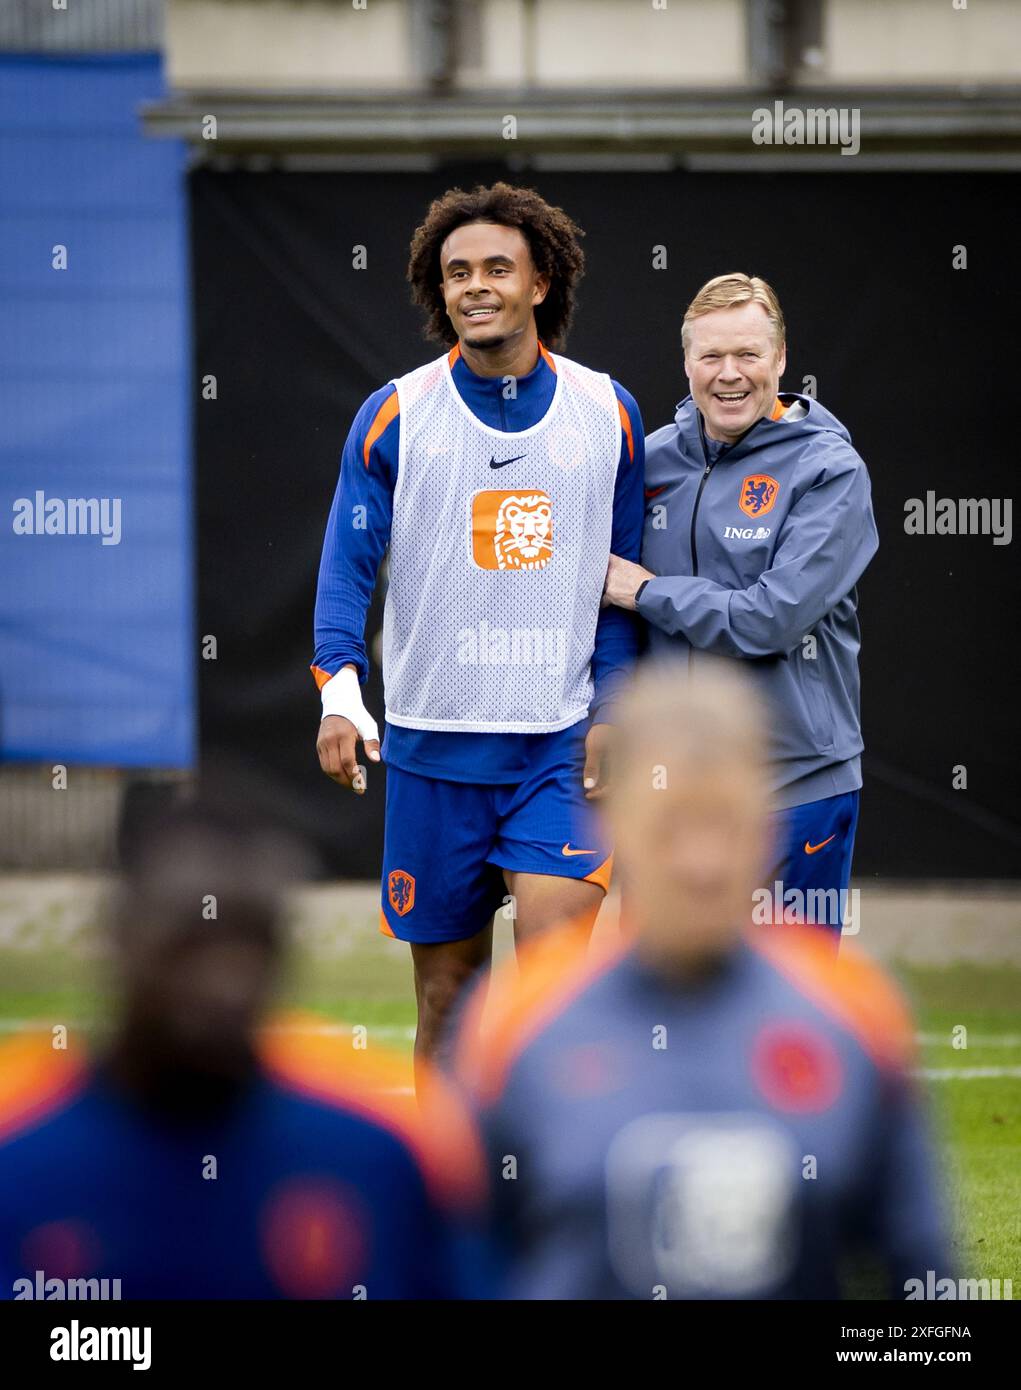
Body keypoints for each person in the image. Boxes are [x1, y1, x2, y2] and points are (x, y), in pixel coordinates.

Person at [453, 661, 949, 1300]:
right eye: (672, 827)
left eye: (726, 824)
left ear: (768, 830)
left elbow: (931, 1301)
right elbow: (459, 1271)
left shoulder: (856, 1015)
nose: (702, 863)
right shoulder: (515, 1025)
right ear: (612, 830)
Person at [312, 183, 644, 1068]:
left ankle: (544, 1194)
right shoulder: (394, 413)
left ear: (540, 283)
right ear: (438, 288)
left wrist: (612, 709)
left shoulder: (607, 411)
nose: (476, 285)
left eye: (498, 266)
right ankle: (455, 1197)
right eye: (457, 271)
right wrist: (339, 695)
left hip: (557, 748)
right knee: (449, 998)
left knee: (550, 987)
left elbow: (619, 586)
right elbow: (346, 568)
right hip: (433, 749)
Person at [0, 801, 488, 1299]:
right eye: (192, 945)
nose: (226, 982)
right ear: (120, 939)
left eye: (251, 948)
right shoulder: (16, 1137)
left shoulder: (386, 1148)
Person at [602, 274, 878, 936]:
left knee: (788, 1010)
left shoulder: (829, 471)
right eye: (711, 357)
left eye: (747, 355)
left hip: (794, 782)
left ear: (780, 361)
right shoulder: (651, 461)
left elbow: (770, 618)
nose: (729, 375)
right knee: (660, 1006)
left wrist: (645, 591)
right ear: (686, 363)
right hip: (671, 785)